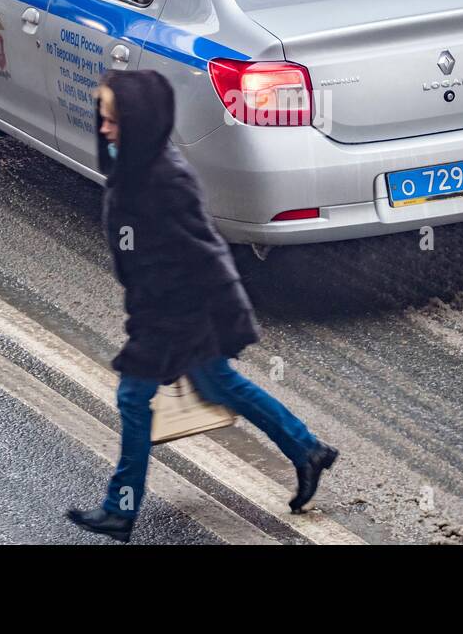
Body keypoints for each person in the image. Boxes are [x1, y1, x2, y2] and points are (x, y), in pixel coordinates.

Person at [66, 69, 338, 543]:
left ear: (139, 122)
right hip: (167, 309)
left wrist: (214, 321)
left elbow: (203, 252)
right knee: (220, 386)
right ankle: (307, 448)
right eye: (102, 119)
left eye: (112, 121)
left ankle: (120, 508)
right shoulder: (134, 166)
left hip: (178, 312)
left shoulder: (164, 179)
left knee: (134, 398)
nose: (104, 129)